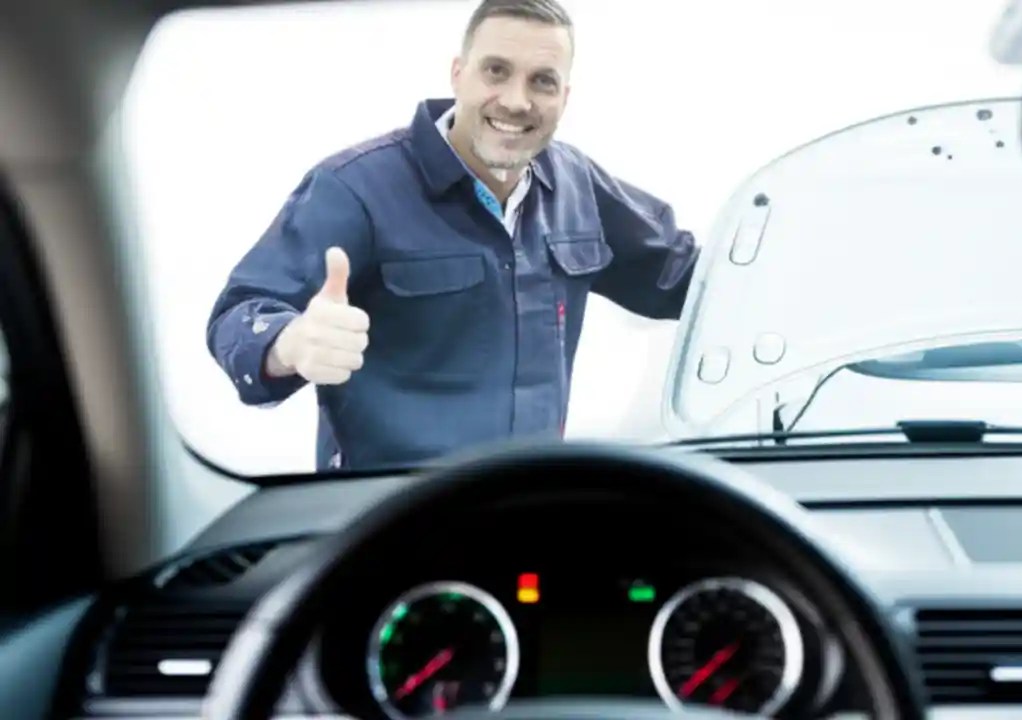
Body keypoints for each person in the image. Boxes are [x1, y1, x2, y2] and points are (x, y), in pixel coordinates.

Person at [205, 0, 700, 471]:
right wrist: (289, 344)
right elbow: (239, 313)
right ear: (458, 73)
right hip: (391, 514)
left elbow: (686, 277)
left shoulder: (578, 185)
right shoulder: (355, 188)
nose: (516, 101)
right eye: (496, 71)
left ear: (564, 97)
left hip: (528, 502)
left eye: (542, 81)